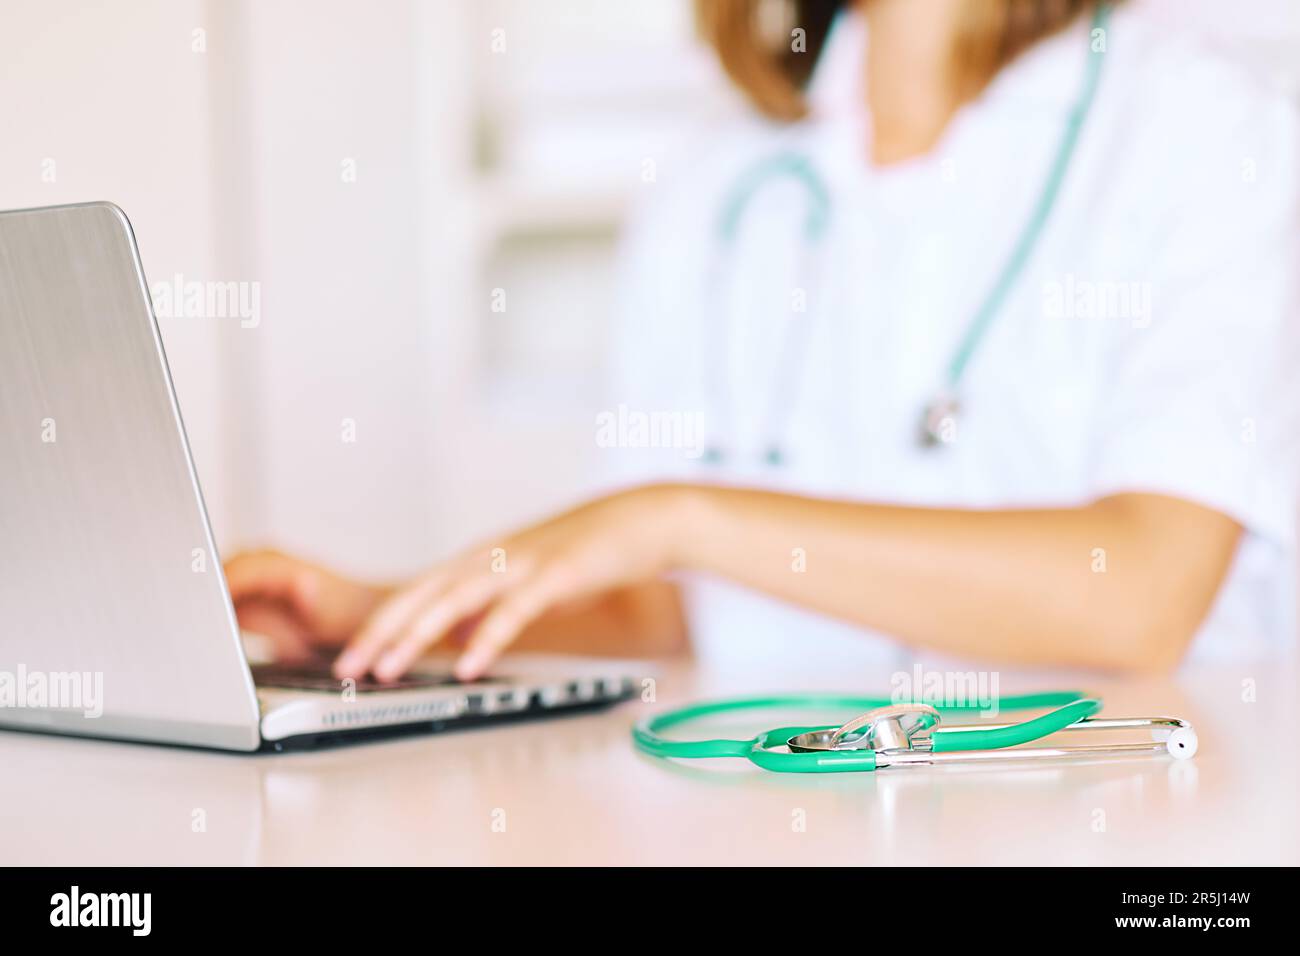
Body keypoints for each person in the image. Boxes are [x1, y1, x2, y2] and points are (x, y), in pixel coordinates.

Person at [224, 0, 1299, 682]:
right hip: (796, 812)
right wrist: (390, 617)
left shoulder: (1199, 124)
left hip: (1143, 830)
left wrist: (677, 515)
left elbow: (1143, 595)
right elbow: (668, 601)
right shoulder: (717, 180)